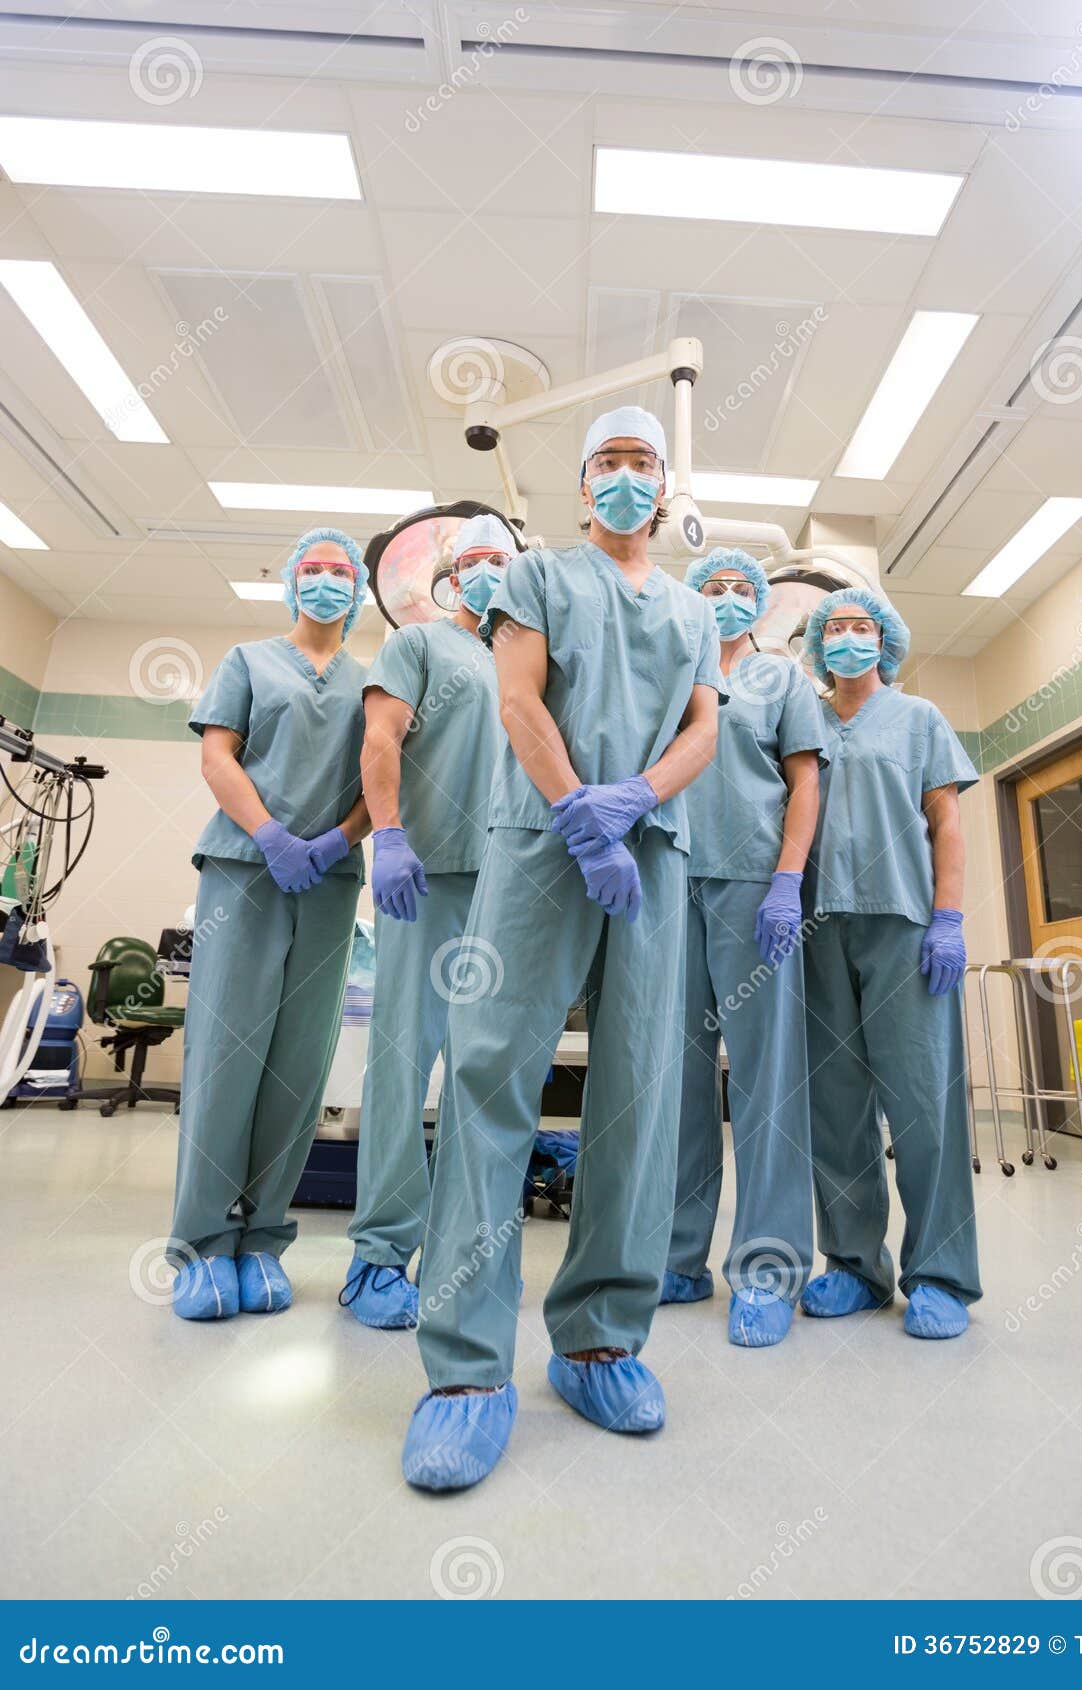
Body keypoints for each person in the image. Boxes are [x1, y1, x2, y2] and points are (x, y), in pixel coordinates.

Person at [402, 404, 723, 1491]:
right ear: (585, 488)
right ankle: (464, 1371)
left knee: (639, 1093)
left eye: (644, 462)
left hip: (656, 849)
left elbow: (704, 730)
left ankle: (598, 1341)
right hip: (542, 841)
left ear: (666, 485)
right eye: (610, 464)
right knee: (492, 1080)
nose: (628, 479)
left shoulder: (691, 608)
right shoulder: (534, 579)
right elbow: (518, 697)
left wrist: (636, 799)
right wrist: (582, 811)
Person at [168, 529, 371, 1321]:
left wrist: (335, 840)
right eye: (312, 571)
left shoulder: (370, 681)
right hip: (247, 870)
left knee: (297, 1066)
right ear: (291, 584)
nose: (325, 582)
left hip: (328, 877)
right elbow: (219, 757)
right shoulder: (249, 662)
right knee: (227, 1054)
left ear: (358, 591)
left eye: (339, 572)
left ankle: (260, 1240)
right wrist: (271, 836)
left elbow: (380, 774)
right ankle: (201, 1248)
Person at [339, 514, 509, 1329]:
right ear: (446, 577)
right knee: (404, 1068)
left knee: (490, 1073)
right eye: (469, 561)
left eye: (498, 560)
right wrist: (391, 835)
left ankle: (465, 1249)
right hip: (428, 878)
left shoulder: (532, 661)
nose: (483, 571)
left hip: (512, 888)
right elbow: (381, 737)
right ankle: (377, 1257)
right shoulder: (419, 645)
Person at [799, 587, 980, 1340]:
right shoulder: (800, 717)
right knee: (834, 1109)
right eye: (833, 628)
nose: (845, 638)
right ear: (815, 643)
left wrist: (948, 917)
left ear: (884, 640)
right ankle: (851, 1266)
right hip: (814, 928)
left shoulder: (917, 719)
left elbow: (946, 822)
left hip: (903, 926)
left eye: (859, 627)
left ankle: (938, 1275)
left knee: (922, 1106)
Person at [660, 548, 826, 1348]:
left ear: (759, 604)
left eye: (737, 589)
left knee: (765, 1080)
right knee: (675, 1081)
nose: (724, 598)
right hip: (667, 884)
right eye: (709, 588)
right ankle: (673, 1253)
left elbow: (805, 782)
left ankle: (767, 1269)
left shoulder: (780, 680)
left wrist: (788, 879)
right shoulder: (668, 671)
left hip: (753, 888)